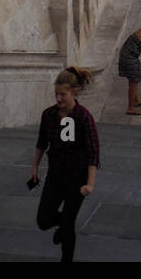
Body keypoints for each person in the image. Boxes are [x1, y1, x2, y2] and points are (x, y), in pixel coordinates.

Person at [29, 65, 99, 264]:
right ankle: (64, 224)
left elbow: (93, 152)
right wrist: (34, 167)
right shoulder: (48, 115)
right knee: (43, 220)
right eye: (56, 94)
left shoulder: (84, 117)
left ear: (74, 92)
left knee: (68, 226)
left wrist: (90, 184)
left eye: (63, 94)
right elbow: (42, 142)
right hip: (55, 175)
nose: (58, 99)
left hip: (77, 178)